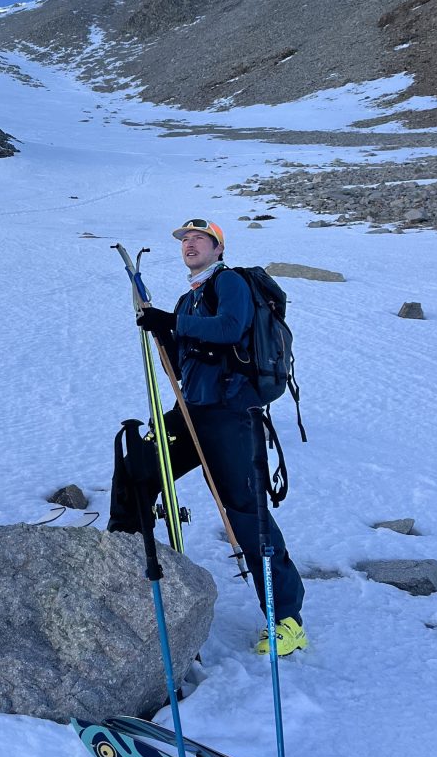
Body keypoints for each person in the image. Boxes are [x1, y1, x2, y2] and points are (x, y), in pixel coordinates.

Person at [108, 218, 308, 656]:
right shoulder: (189, 298)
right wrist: (164, 332)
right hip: (191, 410)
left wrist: (173, 322)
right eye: (185, 239)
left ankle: (287, 619)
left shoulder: (229, 282)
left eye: (200, 238)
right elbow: (184, 365)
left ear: (218, 249)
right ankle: (120, 561)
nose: (190, 243)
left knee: (245, 512)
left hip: (231, 413)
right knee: (137, 467)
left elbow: (231, 327)